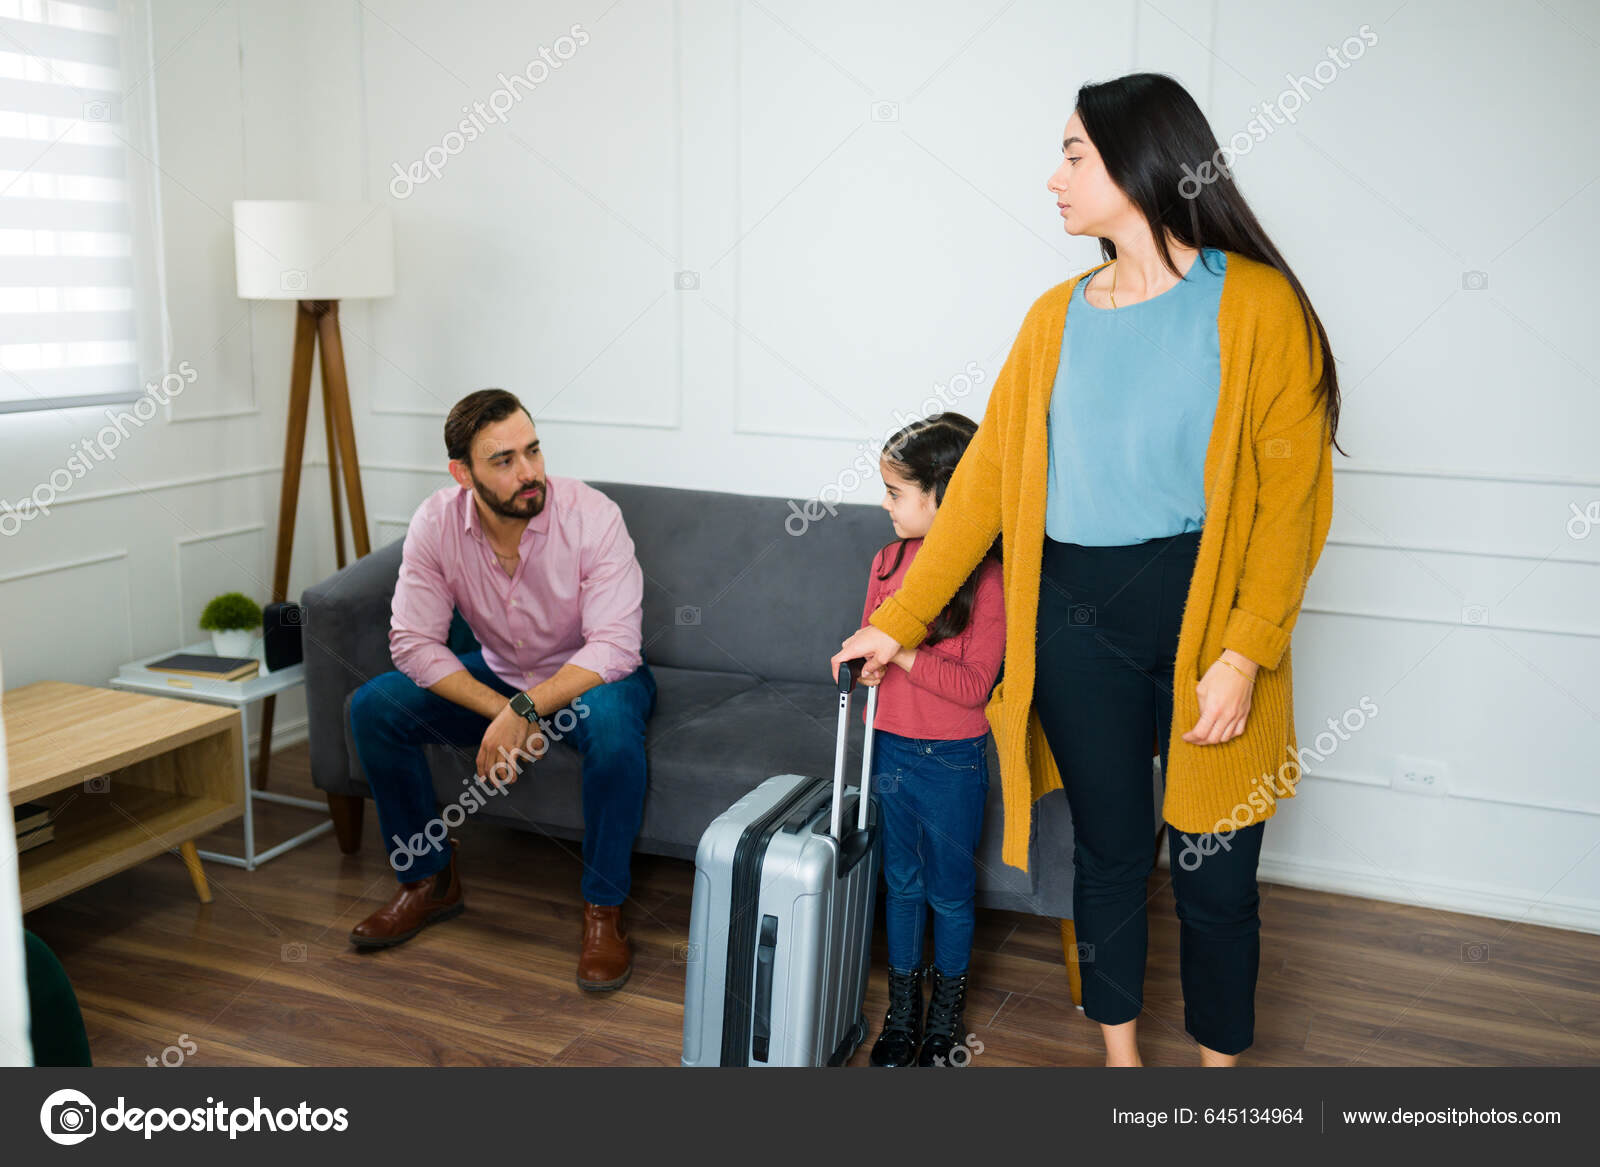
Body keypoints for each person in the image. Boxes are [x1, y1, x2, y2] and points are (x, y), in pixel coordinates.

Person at [833, 72, 1343, 1067]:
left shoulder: (1255, 306)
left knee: (1216, 873)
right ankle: (1121, 1065)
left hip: (1202, 612)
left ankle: (1218, 1072)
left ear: (1139, 158)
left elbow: (1292, 506)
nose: (1054, 178)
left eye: (1073, 154)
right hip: (1071, 618)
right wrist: (897, 622)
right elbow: (977, 491)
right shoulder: (1051, 318)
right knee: (1109, 856)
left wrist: (1244, 653)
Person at [347, 388, 657, 993]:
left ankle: (604, 911)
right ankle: (428, 882)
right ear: (462, 473)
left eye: (533, 451)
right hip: (501, 676)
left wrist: (527, 708)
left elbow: (616, 645)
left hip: (590, 676)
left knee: (616, 735)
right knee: (373, 708)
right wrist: (505, 709)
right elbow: (412, 642)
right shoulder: (437, 523)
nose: (529, 473)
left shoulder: (593, 516)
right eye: (504, 460)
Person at [853, 415, 1004, 1068]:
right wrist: (870, 661)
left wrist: (903, 652)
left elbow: (973, 687)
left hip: (951, 761)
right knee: (902, 883)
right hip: (890, 748)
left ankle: (947, 1009)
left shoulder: (987, 579)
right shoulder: (885, 563)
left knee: (948, 888)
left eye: (896, 491)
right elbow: (870, 641)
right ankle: (904, 1003)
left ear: (943, 493)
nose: (885, 504)